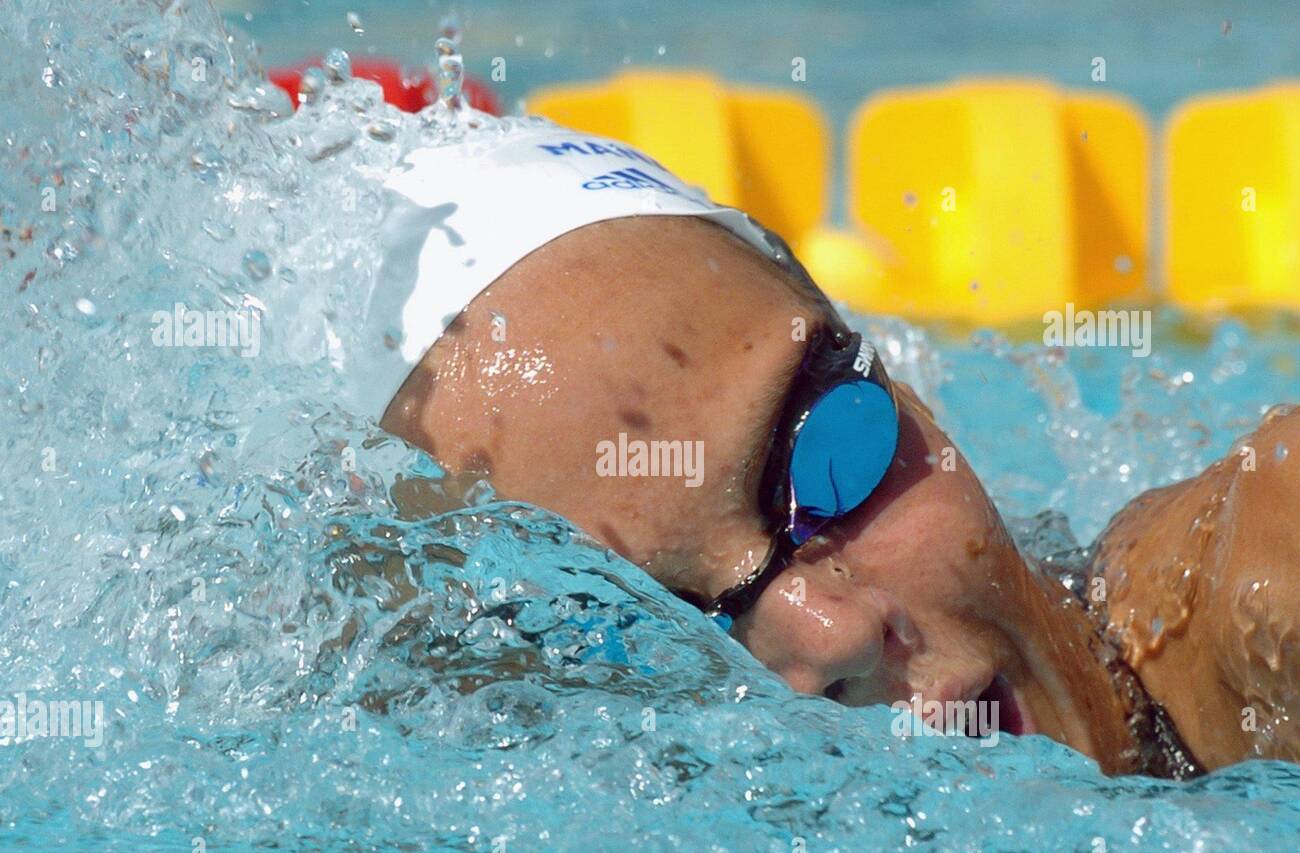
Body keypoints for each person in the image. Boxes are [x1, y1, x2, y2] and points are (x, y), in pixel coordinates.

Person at [343, 120, 1299, 778]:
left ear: (900, 378)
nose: (831, 633)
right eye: (648, 627)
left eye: (822, 461)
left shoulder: (1260, 597)